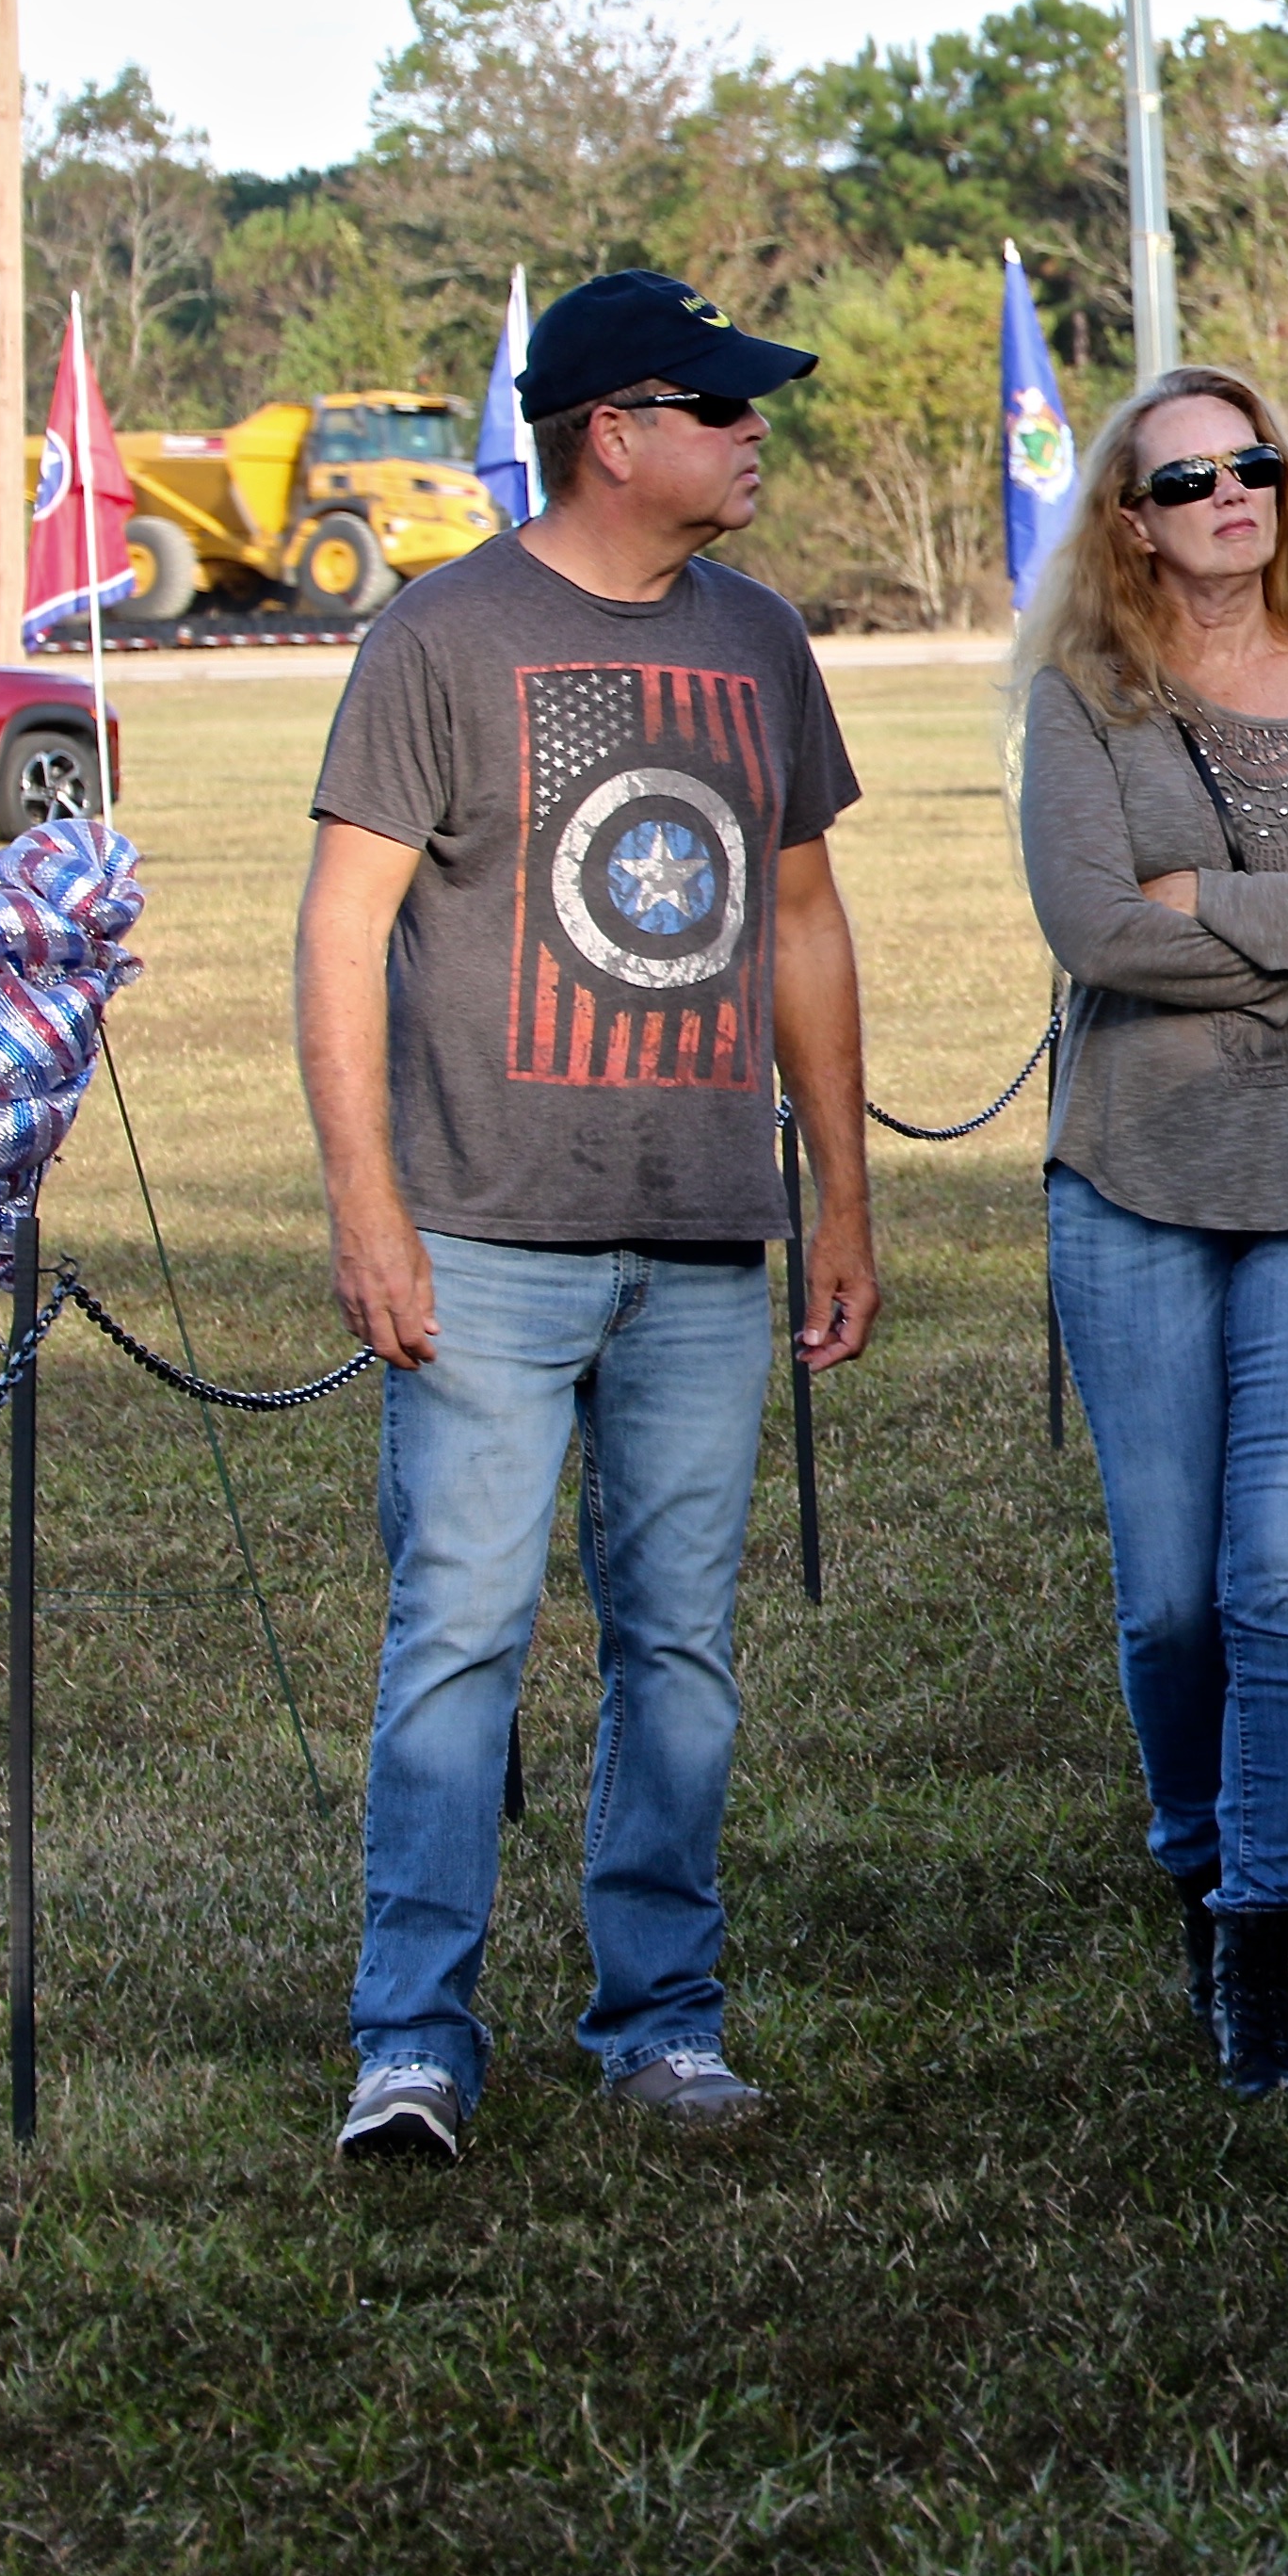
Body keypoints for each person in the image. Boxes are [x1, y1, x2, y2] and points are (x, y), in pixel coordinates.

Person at [298, 269, 877, 2165]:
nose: (753, 430)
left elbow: (795, 918)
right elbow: (339, 930)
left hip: (707, 1243)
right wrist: (370, 1212)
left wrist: (841, 1195)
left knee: (681, 1646)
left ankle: (663, 2024)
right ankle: (412, 2038)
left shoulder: (762, 638)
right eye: (718, 409)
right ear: (612, 433)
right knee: (460, 1634)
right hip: (480, 1236)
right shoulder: (441, 641)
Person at [1012, 364, 1288, 2099]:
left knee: (1284, 1578)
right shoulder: (1085, 700)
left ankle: (1252, 1931)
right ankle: (1191, 1842)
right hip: (1132, 1174)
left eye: (1252, 463)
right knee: (1172, 1598)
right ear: (1130, 520)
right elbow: (1094, 929)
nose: (1228, 495)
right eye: (1187, 478)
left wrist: (1214, 899)